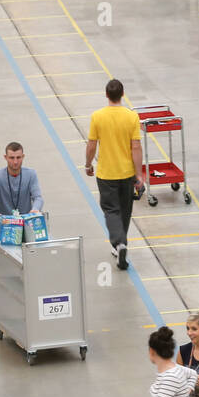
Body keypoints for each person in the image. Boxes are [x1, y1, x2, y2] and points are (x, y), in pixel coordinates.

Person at [85, 79, 144, 271]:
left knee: (111, 211)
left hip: (106, 173)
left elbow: (92, 144)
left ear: (106, 95)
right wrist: (139, 174)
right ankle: (122, 244)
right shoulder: (132, 117)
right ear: (123, 94)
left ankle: (119, 243)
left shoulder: (97, 116)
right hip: (126, 173)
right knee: (125, 210)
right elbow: (136, 147)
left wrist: (88, 164)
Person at [0, 141, 43, 218]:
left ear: (23, 156)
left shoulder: (31, 174)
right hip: (5, 223)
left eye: (18, 157)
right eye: (11, 158)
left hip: (26, 221)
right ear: (5, 157)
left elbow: (38, 197)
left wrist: (35, 209)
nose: (15, 162)